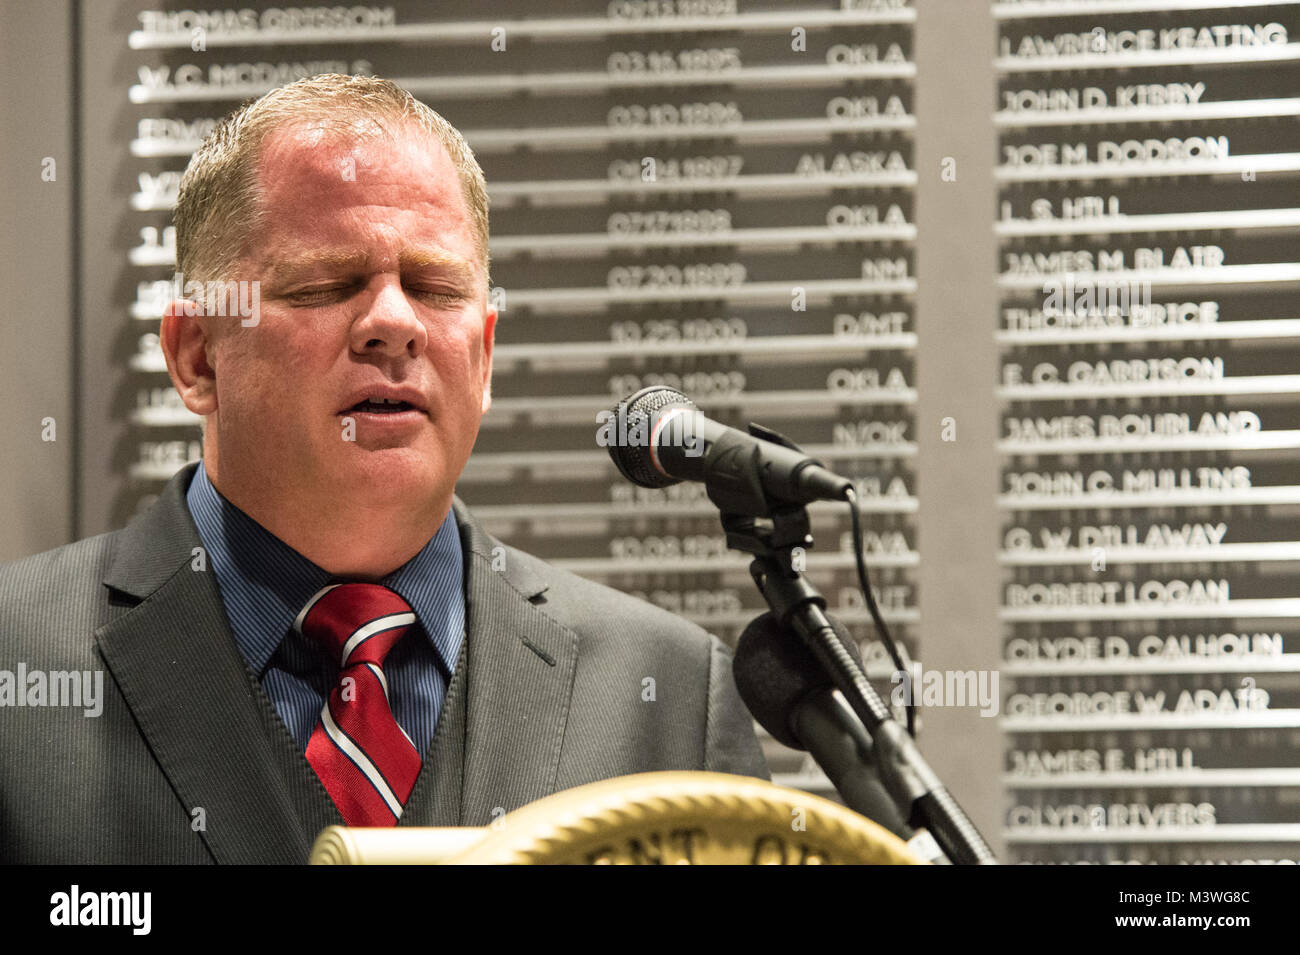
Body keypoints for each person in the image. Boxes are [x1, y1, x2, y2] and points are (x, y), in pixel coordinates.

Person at [0, 73, 768, 864]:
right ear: (197, 355)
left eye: (435, 288)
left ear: (485, 354)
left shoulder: (668, 697)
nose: (394, 324)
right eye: (326, 284)